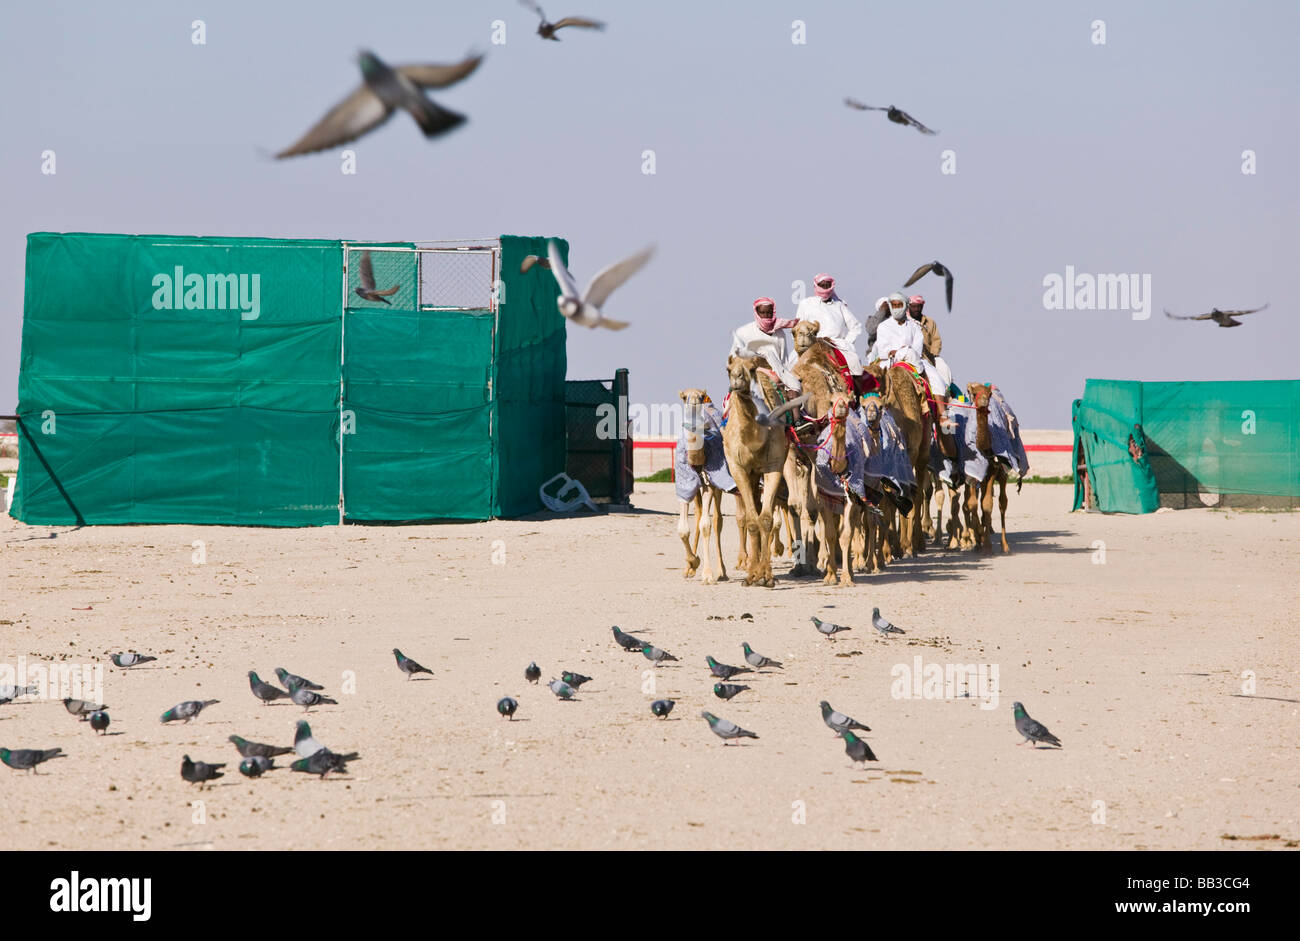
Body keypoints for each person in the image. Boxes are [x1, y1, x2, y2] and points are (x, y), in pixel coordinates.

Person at [871, 292, 955, 436]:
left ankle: (942, 415)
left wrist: (904, 352)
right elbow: (883, 349)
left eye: (899, 305)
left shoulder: (914, 326)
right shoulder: (883, 326)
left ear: (905, 306)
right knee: (871, 381)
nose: (896, 308)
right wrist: (895, 352)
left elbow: (917, 348)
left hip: (913, 360)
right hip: (889, 361)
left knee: (937, 379)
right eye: (894, 305)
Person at [794, 273, 864, 376]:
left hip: (836, 345)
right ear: (816, 286)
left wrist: (846, 343)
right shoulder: (806, 304)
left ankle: (856, 391)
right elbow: (798, 328)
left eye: (827, 285)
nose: (825, 288)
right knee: (792, 369)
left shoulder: (839, 305)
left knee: (855, 364)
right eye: (822, 285)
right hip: (812, 345)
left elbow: (856, 326)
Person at [729, 297, 801, 390]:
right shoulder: (745, 332)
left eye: (769, 313)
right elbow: (734, 358)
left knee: (796, 396)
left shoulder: (779, 333)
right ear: (756, 313)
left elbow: (783, 360)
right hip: (752, 376)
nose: (766, 316)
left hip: (777, 377)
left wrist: (785, 383)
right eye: (762, 313)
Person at [907, 294, 955, 398]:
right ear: (909, 307)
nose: (916, 309)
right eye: (913, 306)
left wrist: (932, 355)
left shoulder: (930, 323)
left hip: (929, 357)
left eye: (918, 306)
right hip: (909, 357)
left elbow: (936, 340)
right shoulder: (905, 322)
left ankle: (945, 394)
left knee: (942, 366)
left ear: (922, 306)